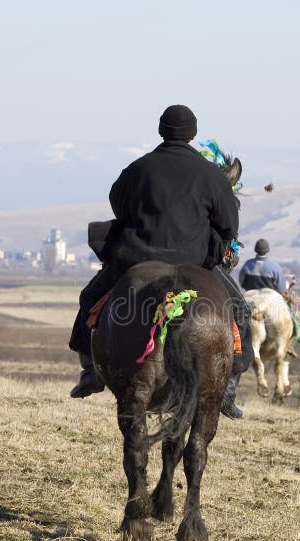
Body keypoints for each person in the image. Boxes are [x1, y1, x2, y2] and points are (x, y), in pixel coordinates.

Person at [68, 104, 252, 419]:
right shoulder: (211, 175)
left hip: (136, 257)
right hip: (197, 264)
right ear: (193, 134)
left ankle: (91, 370)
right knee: (240, 312)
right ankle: (230, 385)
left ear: (161, 131)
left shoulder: (138, 169)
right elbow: (228, 224)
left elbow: (118, 204)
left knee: (90, 299)